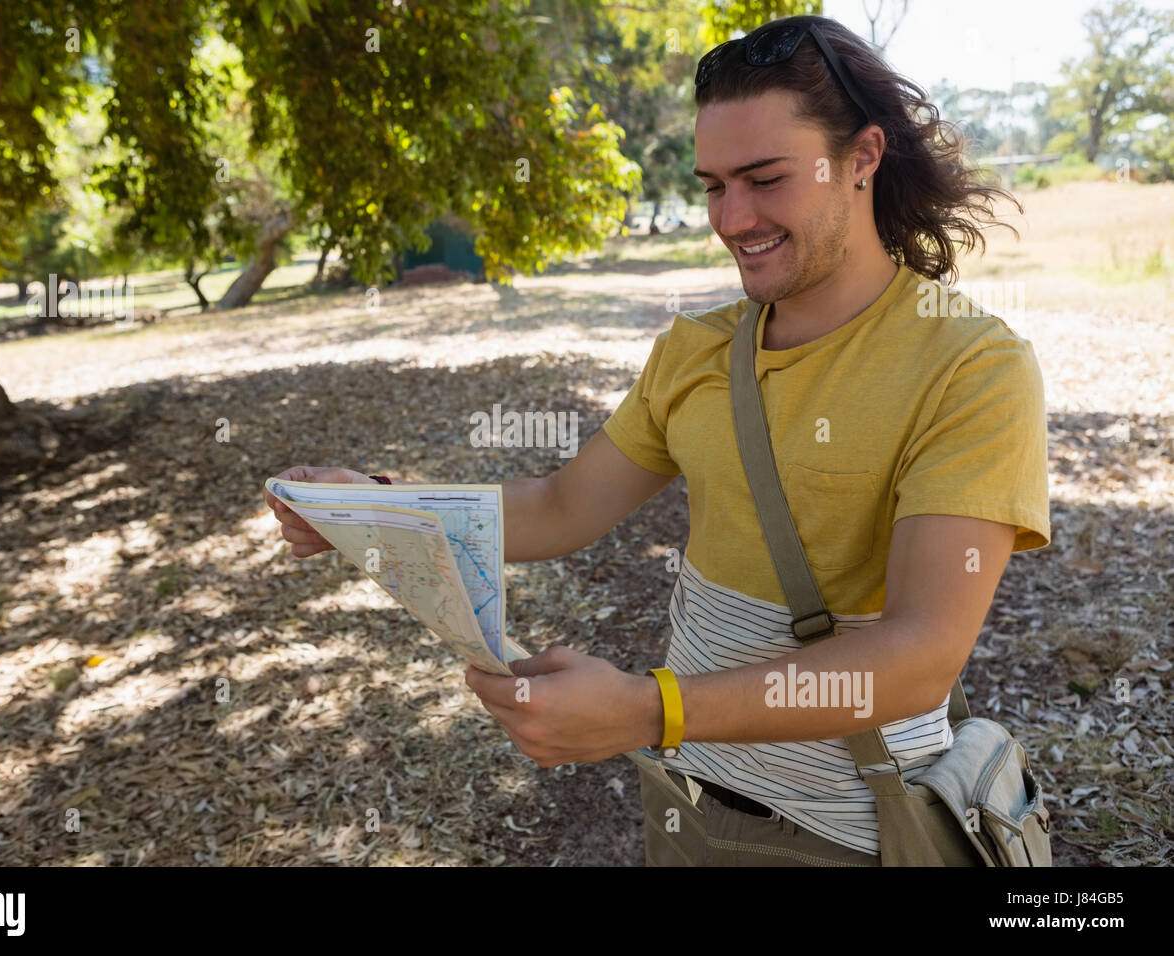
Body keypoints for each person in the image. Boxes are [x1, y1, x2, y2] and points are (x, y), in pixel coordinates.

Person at [263, 13, 1051, 867]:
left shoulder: (972, 368)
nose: (733, 217)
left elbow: (919, 657)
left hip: (860, 831)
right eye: (714, 185)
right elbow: (562, 506)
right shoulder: (698, 349)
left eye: (764, 178)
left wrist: (650, 710)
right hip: (690, 805)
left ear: (861, 158)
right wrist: (374, 509)